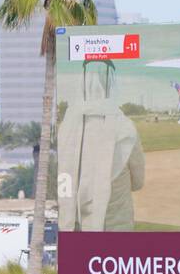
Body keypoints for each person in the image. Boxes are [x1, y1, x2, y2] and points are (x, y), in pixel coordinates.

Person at [57, 60, 146, 232]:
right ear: (112, 82)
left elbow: (63, 179)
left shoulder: (67, 127)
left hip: (74, 223)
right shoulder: (125, 127)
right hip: (116, 225)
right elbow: (138, 181)